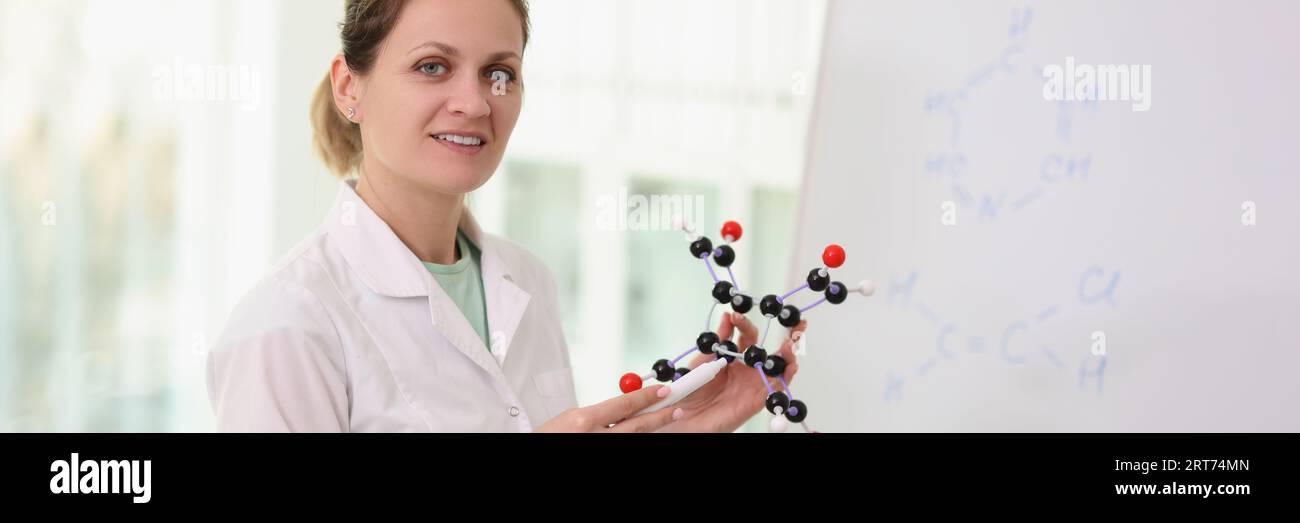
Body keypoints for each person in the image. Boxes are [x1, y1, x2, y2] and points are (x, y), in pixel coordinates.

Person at [206, 0, 806, 432]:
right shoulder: (287, 326)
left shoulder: (527, 282)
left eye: (500, 73)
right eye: (432, 66)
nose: (474, 102)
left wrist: (686, 417)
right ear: (349, 87)